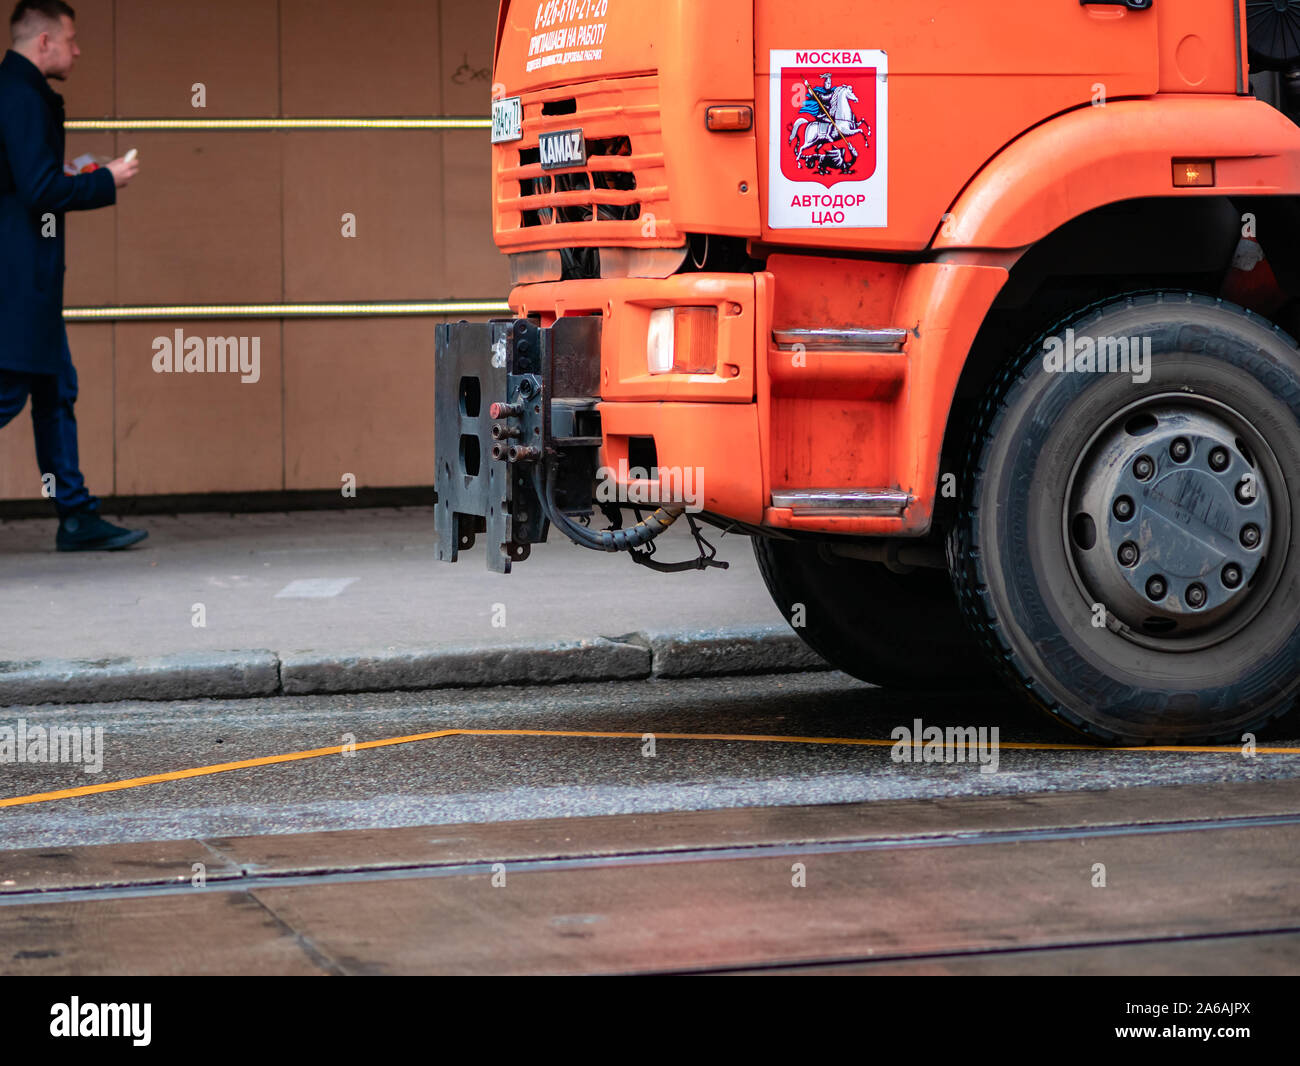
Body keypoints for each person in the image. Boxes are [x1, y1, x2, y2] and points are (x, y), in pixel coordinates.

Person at [0, 0, 146, 551]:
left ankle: (77, 516)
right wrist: (104, 179)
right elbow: (37, 191)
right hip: (18, 279)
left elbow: (25, 179)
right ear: (44, 43)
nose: (78, 50)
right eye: (71, 39)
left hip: (27, 278)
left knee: (55, 388)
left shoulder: (18, 91)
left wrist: (70, 174)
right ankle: (77, 516)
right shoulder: (21, 95)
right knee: (9, 390)